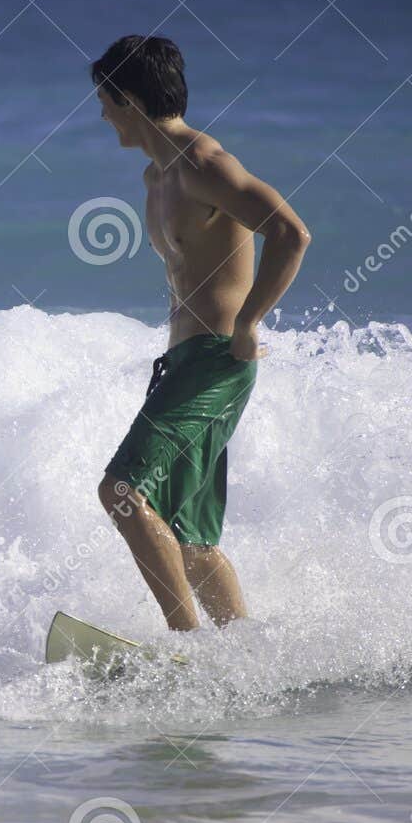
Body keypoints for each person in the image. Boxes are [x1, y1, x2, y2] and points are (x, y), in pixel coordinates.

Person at [92, 35, 311, 632]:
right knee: (190, 536)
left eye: (106, 102)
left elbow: (291, 233)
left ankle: (185, 652)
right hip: (186, 362)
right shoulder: (155, 178)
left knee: (123, 492)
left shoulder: (203, 167)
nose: (103, 115)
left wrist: (249, 322)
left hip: (217, 361)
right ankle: (244, 657)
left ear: (129, 100)